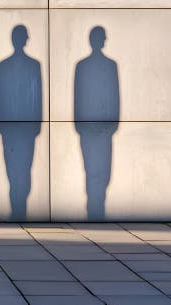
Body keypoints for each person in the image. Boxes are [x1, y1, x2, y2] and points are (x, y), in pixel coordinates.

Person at [0, 25, 42, 221]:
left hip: (26, 128)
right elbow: (0, 97)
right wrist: (1, 124)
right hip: (11, 128)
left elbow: (38, 96)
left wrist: (36, 124)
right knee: (13, 169)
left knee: (24, 167)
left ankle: (20, 207)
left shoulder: (34, 65)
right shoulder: (4, 66)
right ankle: (17, 206)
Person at [74, 26, 119, 221]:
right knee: (91, 168)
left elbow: (114, 96)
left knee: (103, 170)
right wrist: (80, 125)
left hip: (104, 128)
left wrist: (111, 126)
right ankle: (93, 209)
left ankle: (97, 207)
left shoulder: (110, 66)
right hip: (89, 128)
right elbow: (77, 96)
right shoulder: (82, 66)